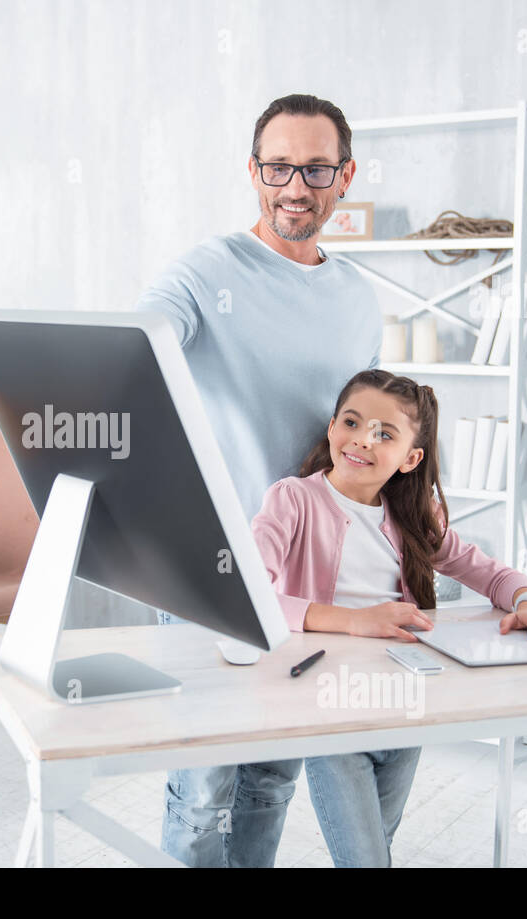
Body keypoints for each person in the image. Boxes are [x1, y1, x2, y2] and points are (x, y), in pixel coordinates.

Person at [137, 92, 382, 867]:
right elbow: (141, 334)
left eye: (315, 169)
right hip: (210, 570)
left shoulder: (358, 298)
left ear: (345, 177)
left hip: (304, 579)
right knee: (204, 784)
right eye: (279, 167)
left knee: (272, 775)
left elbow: (359, 432)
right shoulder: (210, 270)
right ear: (254, 170)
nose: (296, 188)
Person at [251, 368, 527, 866]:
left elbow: (490, 574)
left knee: (375, 851)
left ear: (411, 458)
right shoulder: (293, 500)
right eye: (352, 423)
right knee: (365, 857)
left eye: (384, 434)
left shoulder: (414, 519)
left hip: (404, 700)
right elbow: (251, 596)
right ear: (333, 428)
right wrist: (354, 620)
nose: (362, 440)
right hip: (327, 705)